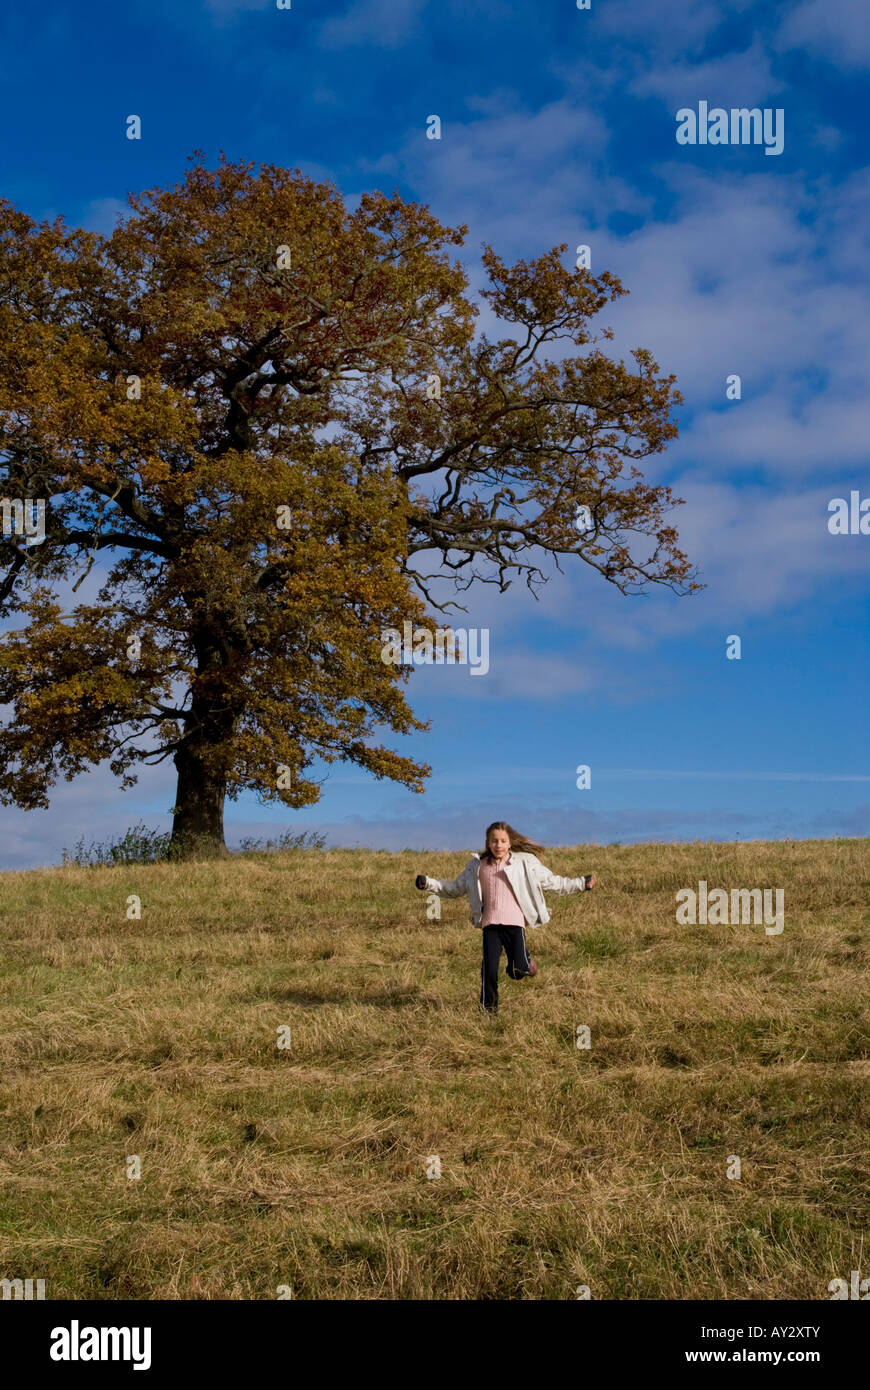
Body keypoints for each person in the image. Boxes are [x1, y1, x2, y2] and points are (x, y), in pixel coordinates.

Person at [415, 821, 596, 1013]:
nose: (498, 845)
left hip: (515, 923)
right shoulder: (476, 866)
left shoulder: (524, 863)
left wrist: (581, 884)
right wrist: (428, 884)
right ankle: (488, 1010)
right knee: (489, 969)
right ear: (488, 843)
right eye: (494, 841)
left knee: (519, 971)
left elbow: (553, 882)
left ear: (510, 843)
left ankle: (524, 962)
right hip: (490, 925)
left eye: (503, 841)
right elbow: (453, 888)